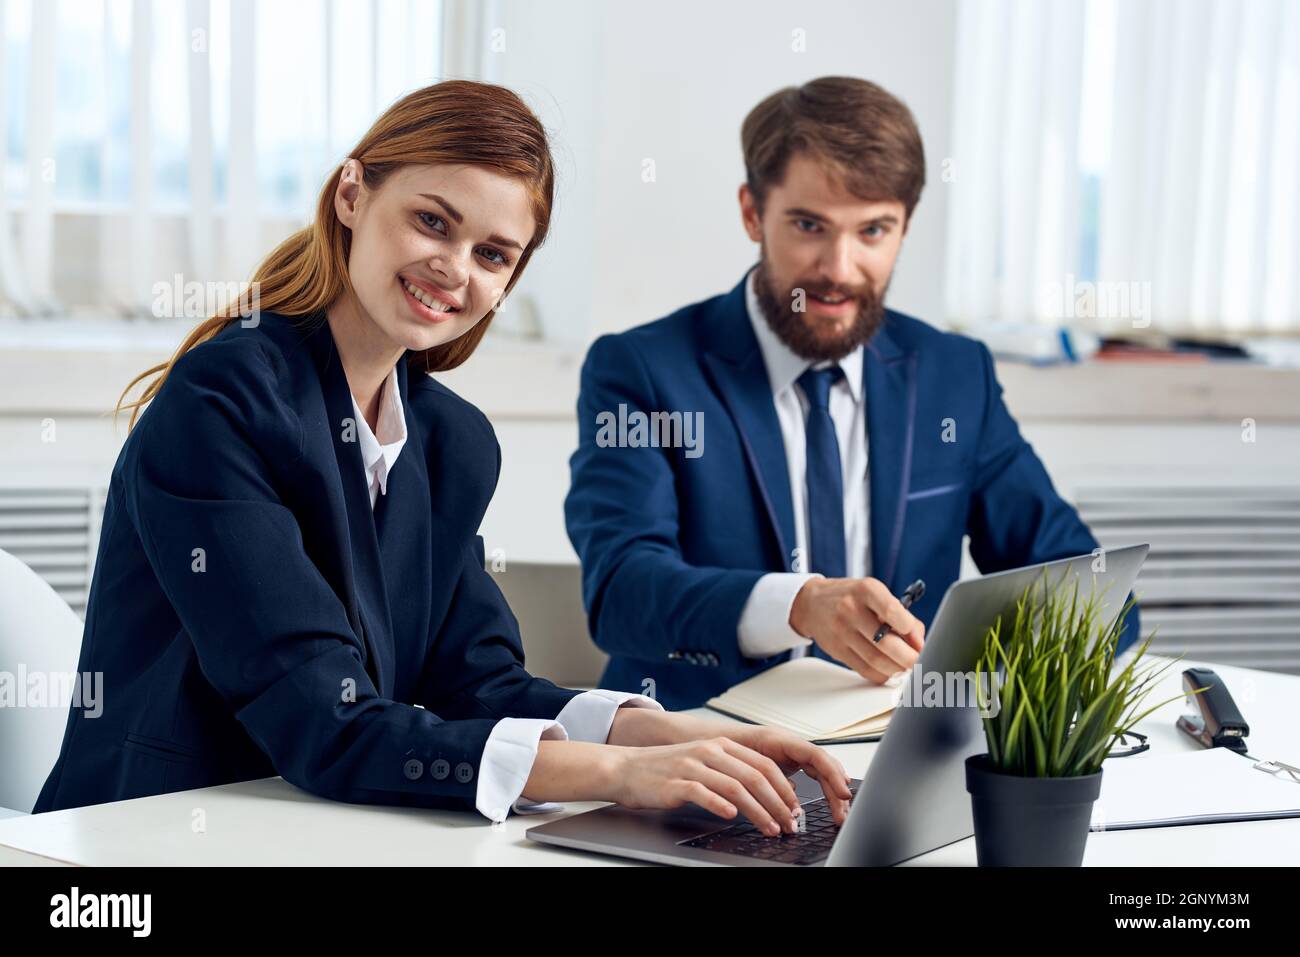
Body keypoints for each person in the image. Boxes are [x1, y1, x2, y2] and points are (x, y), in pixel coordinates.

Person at [33, 81, 851, 838]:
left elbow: (479, 680)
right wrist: (619, 773)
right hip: (151, 836)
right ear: (352, 194)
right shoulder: (224, 400)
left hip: (324, 826)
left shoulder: (448, 439)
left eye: (493, 254)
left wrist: (672, 731)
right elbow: (326, 719)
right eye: (433, 221)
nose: (455, 268)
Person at [565, 76, 1139, 711]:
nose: (839, 269)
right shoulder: (643, 371)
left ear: (904, 227)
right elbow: (621, 593)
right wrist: (800, 606)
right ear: (753, 212)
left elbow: (1086, 589)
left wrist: (959, 684)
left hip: (894, 755)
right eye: (810, 225)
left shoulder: (954, 375)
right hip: (700, 755)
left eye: (873, 231)